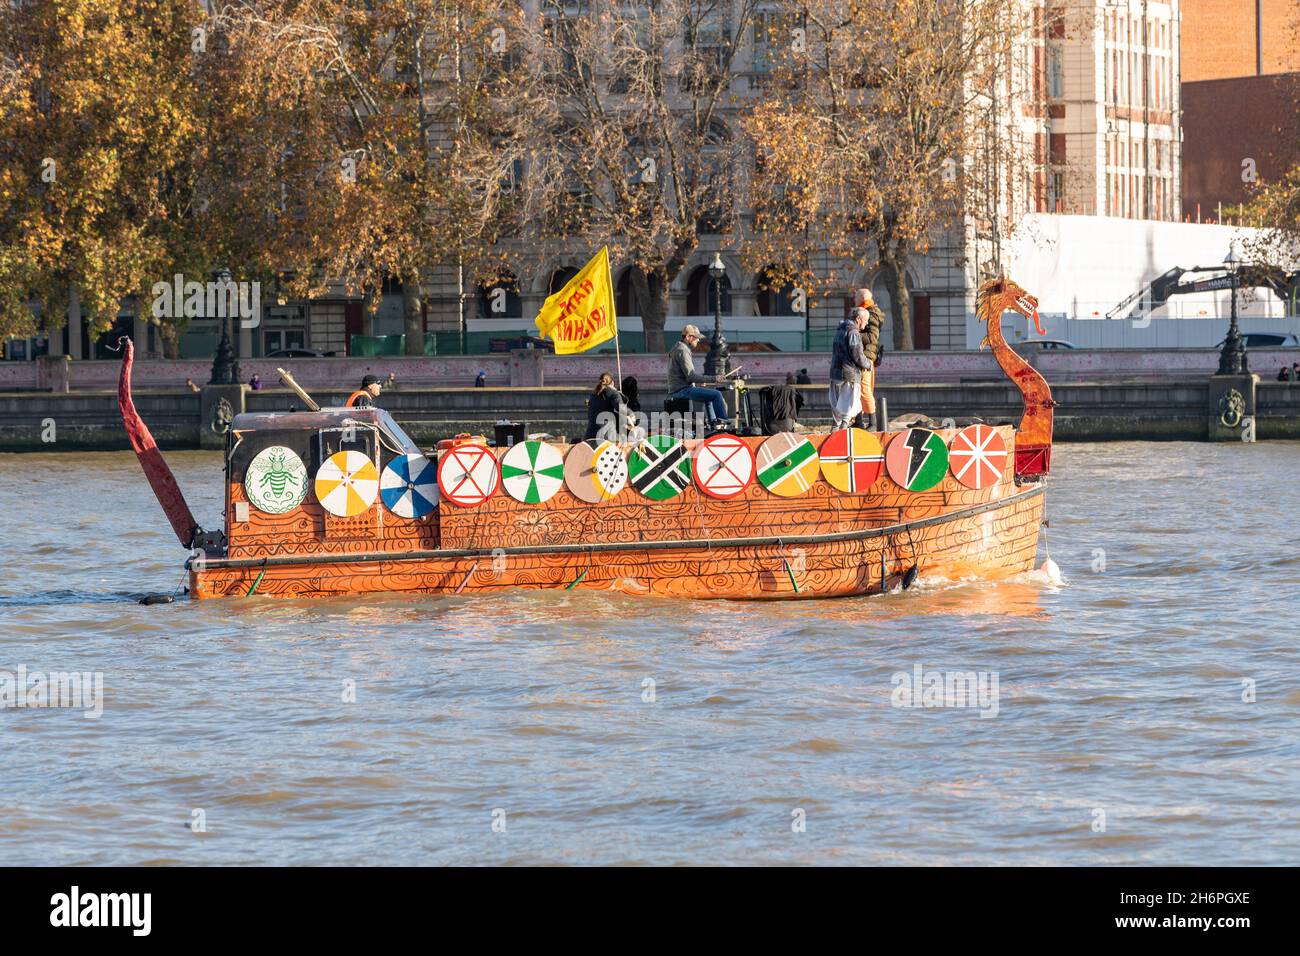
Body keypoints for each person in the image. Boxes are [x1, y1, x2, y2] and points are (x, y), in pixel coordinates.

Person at [667, 324, 729, 426]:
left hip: (677, 389)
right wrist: (714, 378)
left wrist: (697, 383)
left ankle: (714, 423)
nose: (698, 340)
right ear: (688, 337)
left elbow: (684, 376)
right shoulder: (683, 350)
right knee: (716, 395)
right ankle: (722, 424)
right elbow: (691, 376)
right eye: (696, 338)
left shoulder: (677, 348)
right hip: (681, 391)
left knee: (709, 397)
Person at [829, 307, 873, 430]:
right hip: (849, 374)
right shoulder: (853, 332)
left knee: (837, 407)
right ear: (858, 319)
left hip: (835, 373)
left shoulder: (839, 329)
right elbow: (857, 355)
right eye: (866, 320)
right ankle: (842, 431)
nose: (867, 323)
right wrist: (868, 365)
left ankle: (833, 432)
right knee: (848, 409)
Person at [851, 288, 885, 427]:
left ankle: (873, 423)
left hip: (866, 356)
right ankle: (859, 421)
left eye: (855, 297)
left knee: (864, 388)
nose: (854, 300)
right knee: (858, 389)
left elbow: (872, 337)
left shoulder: (871, 314)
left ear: (862, 299)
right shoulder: (869, 311)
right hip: (863, 354)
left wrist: (853, 334)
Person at [585, 372, 629, 441]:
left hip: (589, 435)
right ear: (612, 383)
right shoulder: (613, 393)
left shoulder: (593, 395)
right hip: (606, 436)